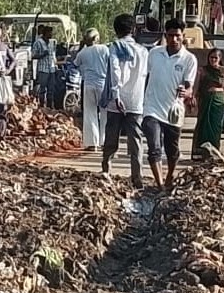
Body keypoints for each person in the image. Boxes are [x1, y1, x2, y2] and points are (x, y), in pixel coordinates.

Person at [142, 19, 198, 189]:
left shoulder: (189, 59)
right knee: (154, 148)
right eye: (171, 35)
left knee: (172, 151)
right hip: (152, 108)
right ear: (165, 35)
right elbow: (145, 76)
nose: (174, 39)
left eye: (177, 36)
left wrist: (187, 93)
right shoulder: (154, 54)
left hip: (174, 111)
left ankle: (170, 175)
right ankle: (160, 185)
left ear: (183, 36)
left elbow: (189, 86)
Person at [101, 13, 148, 189]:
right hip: (136, 101)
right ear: (133, 30)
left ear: (116, 30)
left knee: (111, 138)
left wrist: (116, 94)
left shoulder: (115, 47)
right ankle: (137, 177)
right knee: (136, 140)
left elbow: (115, 71)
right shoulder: (143, 51)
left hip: (116, 101)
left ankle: (106, 171)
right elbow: (144, 75)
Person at [192, 49, 224, 159]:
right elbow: (196, 85)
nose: (213, 60)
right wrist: (193, 97)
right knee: (203, 125)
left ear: (220, 59)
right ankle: (200, 152)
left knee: (216, 126)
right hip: (206, 100)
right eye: (211, 57)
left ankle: (214, 151)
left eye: (216, 58)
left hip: (219, 101)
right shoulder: (202, 70)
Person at [73, 28, 109, 152]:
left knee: (90, 113)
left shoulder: (83, 53)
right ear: (96, 38)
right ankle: (104, 142)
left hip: (88, 85)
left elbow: (75, 64)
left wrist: (81, 47)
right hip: (103, 84)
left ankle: (92, 143)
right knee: (105, 113)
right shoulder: (104, 49)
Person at [0, 24, 16, 142]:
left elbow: (13, 60)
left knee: (2, 108)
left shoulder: (4, 47)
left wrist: (8, 71)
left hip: (1, 80)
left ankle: (1, 135)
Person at [32, 25, 57, 108]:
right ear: (45, 33)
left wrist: (55, 64)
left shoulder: (52, 43)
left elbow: (53, 55)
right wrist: (42, 55)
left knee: (51, 89)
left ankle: (50, 107)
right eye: (50, 33)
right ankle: (42, 106)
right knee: (42, 89)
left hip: (51, 69)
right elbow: (33, 55)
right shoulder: (38, 42)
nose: (51, 34)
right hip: (43, 69)